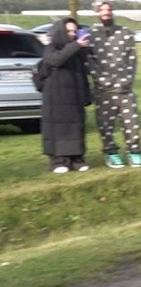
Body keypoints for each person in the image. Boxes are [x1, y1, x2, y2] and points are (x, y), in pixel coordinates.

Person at [87, 0, 141, 168]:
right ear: (98, 13)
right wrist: (102, 80)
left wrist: (127, 80)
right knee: (105, 124)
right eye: (102, 10)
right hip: (103, 90)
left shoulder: (125, 33)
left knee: (131, 122)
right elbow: (89, 61)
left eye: (108, 10)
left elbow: (132, 59)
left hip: (125, 88)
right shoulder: (90, 35)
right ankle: (111, 152)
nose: (106, 13)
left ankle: (134, 151)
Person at [37, 18, 92, 173]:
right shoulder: (51, 48)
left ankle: (76, 158)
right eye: (68, 31)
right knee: (58, 129)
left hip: (75, 96)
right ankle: (58, 161)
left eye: (74, 31)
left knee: (76, 127)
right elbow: (56, 60)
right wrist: (76, 45)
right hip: (55, 97)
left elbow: (85, 72)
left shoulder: (78, 50)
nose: (72, 34)